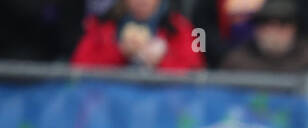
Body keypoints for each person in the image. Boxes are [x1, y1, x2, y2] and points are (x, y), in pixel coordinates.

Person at [71, 0, 207, 71]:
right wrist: (120, 52)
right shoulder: (102, 26)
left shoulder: (179, 27)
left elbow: (195, 70)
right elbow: (78, 66)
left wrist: (161, 61)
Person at [220, 0, 308, 73]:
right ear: (256, 28)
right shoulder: (237, 61)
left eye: (283, 22)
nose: (274, 31)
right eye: (265, 22)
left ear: (294, 28)